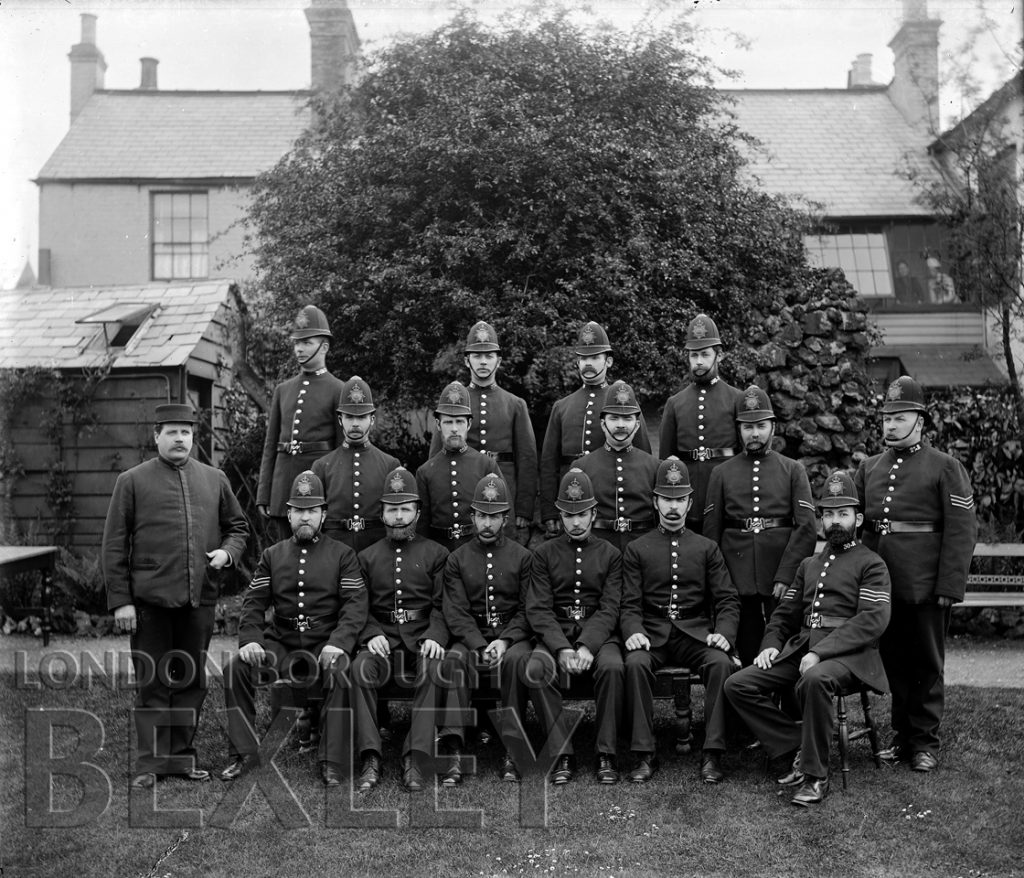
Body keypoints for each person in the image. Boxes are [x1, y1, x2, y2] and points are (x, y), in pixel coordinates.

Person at [102, 403, 249, 789]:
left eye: (185, 432)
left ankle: (181, 758)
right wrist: (122, 601)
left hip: (198, 600)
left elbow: (238, 528)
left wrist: (227, 553)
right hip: (149, 603)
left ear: (193, 436)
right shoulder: (131, 481)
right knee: (152, 682)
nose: (180, 438)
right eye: (171, 432)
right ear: (156, 436)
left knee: (190, 681)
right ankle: (150, 763)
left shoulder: (214, 479)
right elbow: (114, 544)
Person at [724, 470, 892, 807]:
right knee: (737, 685)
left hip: (851, 656)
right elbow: (784, 615)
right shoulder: (809, 565)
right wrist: (770, 645)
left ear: (857, 519)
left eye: (842, 514)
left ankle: (816, 777)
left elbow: (873, 621)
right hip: (803, 648)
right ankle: (798, 742)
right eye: (828, 514)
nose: (834, 522)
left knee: (814, 679)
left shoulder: (872, 565)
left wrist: (821, 652)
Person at [855, 375, 977, 772]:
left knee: (926, 662)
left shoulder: (945, 467)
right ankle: (902, 736)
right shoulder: (870, 468)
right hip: (883, 585)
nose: (890, 425)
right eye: (886, 418)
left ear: (920, 421)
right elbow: (859, 530)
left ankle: (924, 742)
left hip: (926, 584)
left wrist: (948, 585)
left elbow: (961, 531)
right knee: (895, 662)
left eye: (900, 417)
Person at [219, 471, 367, 787]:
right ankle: (243, 753)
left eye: (312, 510)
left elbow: (356, 605)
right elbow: (254, 603)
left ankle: (332, 759)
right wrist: (250, 640)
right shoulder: (273, 555)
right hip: (282, 642)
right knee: (236, 668)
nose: (305, 517)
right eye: (299, 510)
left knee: (341, 669)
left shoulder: (343, 555)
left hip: (323, 642)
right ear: (288, 513)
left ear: (323, 514)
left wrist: (340, 642)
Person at [620, 458, 740, 785]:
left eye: (680, 499)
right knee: (634, 664)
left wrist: (724, 634)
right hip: (652, 634)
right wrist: (633, 631)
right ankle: (645, 753)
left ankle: (713, 753)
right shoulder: (637, 549)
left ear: (689, 502)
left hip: (694, 634)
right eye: (666, 499)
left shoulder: (706, 548)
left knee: (719, 663)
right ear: (655, 501)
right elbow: (629, 602)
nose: (673, 506)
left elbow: (727, 598)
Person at [343, 467, 461, 792]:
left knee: (434, 667)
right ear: (381, 512)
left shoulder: (437, 554)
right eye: (392, 509)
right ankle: (370, 756)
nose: (398, 517)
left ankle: (416, 756)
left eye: (405, 509)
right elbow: (357, 605)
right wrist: (370, 633)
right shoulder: (365, 558)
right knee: (358, 668)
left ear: (418, 512)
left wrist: (436, 636)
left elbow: (443, 604)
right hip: (382, 640)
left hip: (423, 637)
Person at [703, 385, 818, 665]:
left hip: (779, 574)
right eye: (747, 427)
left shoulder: (792, 470)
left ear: (773, 428)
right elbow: (711, 534)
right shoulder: (721, 473)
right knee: (746, 643)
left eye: (761, 426)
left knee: (783, 646)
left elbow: (806, 527)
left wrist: (786, 575)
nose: (755, 434)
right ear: (738, 429)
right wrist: (721, 581)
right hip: (736, 577)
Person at [527, 469, 625, 784]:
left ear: (594, 513)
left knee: (612, 667)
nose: (576, 522)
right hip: (557, 633)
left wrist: (587, 645)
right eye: (569, 516)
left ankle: (606, 753)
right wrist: (562, 647)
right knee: (537, 668)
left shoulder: (611, 555)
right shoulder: (543, 554)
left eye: (582, 514)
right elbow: (539, 609)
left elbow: (610, 607)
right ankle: (561, 752)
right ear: (560, 516)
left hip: (599, 636)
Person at [443, 475, 535, 782]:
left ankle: (512, 748)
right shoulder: (457, 559)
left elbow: (527, 608)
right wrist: (479, 644)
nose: (487, 524)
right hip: (472, 638)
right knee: (454, 661)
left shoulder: (523, 557)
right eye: (481, 515)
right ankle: (454, 748)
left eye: (494, 517)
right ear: (472, 517)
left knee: (516, 661)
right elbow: (455, 611)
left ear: (505, 519)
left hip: (511, 636)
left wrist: (506, 640)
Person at [428, 321, 538, 543]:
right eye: (477, 356)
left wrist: (524, 509)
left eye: (489, 356)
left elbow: (527, 459)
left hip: (504, 487)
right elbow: (435, 458)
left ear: (498, 360)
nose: (483, 361)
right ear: (467, 360)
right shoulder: (453, 404)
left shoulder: (515, 404)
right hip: (462, 485)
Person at [539, 321, 652, 538]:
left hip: (610, 498)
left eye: (594, 358)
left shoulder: (624, 404)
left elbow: (642, 457)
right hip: (571, 501)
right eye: (583, 358)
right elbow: (549, 464)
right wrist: (549, 512)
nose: (587, 364)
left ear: (608, 361)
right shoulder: (562, 407)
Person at [257, 305, 345, 541]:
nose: (299, 348)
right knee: (283, 561)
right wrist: (264, 494)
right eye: (297, 343)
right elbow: (270, 445)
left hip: (318, 492)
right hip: (282, 490)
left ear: (324, 346)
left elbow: (341, 452)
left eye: (307, 342)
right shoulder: (282, 390)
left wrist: (334, 497)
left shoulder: (338, 389)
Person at [659, 314, 743, 534]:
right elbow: (666, 461)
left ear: (719, 356)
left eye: (705, 354)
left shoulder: (736, 399)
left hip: (727, 497)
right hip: (689, 502)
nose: (698, 361)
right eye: (694, 355)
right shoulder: (675, 404)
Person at [312, 376, 400, 553]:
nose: (355, 424)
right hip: (333, 551)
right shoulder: (322, 466)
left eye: (361, 417)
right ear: (340, 420)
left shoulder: (390, 465)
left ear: (372, 419)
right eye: (349, 417)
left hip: (377, 551)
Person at [416, 381, 501, 552]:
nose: (454, 429)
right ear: (438, 425)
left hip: (477, 550)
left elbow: (503, 515)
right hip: (440, 552)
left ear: (469, 424)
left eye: (460, 422)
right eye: (448, 422)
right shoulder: (425, 471)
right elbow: (422, 526)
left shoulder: (485, 465)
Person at [577, 380, 660, 553]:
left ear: (637, 425)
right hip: (598, 551)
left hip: (643, 550)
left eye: (627, 418)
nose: (620, 425)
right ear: (602, 424)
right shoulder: (582, 467)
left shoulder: (654, 467)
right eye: (613, 418)